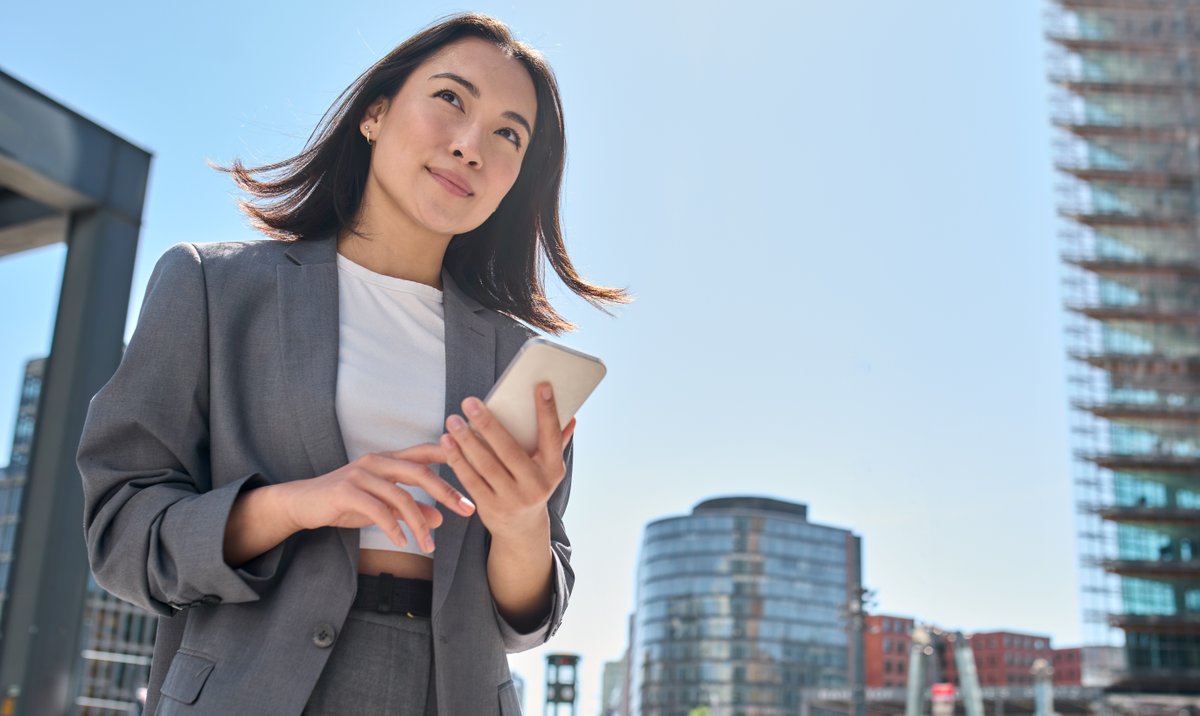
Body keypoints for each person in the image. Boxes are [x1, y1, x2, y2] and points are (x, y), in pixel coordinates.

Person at [78, 13, 625, 715]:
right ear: (375, 113)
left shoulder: (518, 360)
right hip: (252, 687)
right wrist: (298, 503)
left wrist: (521, 525)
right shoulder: (214, 288)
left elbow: (528, 621)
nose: (470, 146)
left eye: (508, 135)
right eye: (450, 98)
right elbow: (122, 535)